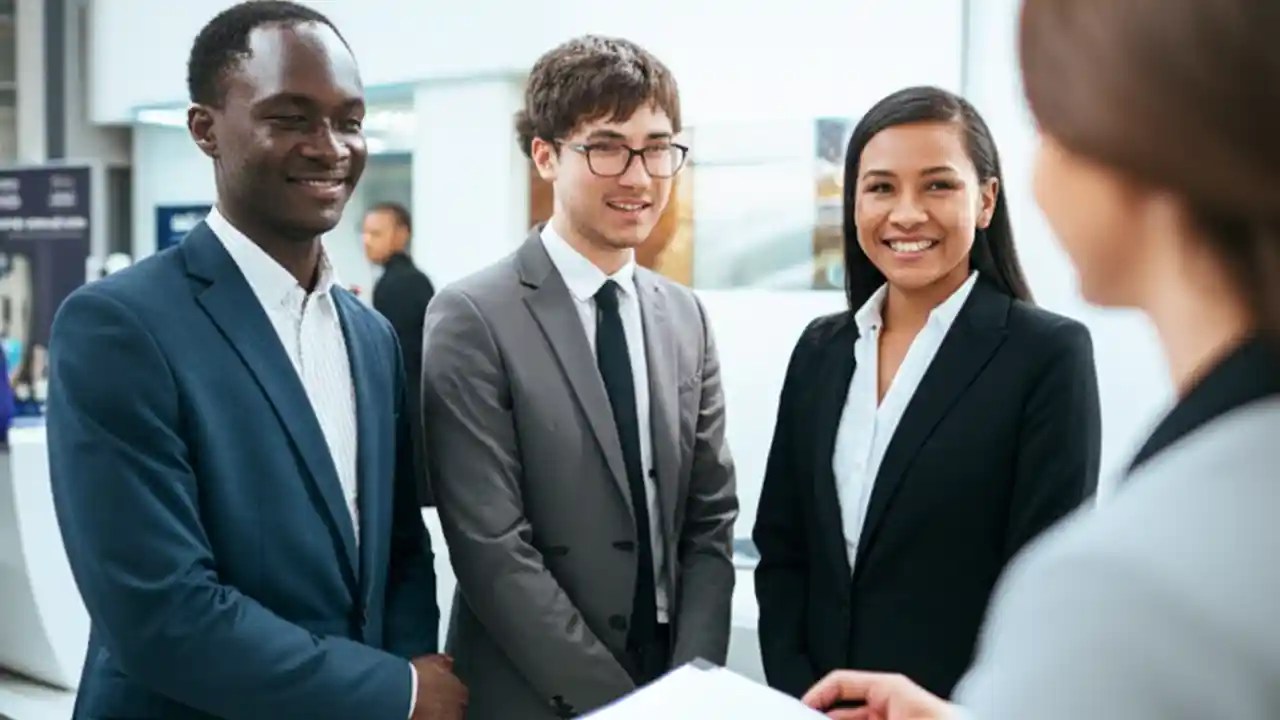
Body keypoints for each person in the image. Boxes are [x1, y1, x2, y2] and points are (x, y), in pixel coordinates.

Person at [802, 1, 1280, 718]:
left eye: (1049, 128)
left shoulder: (1122, 583)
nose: (1041, 175)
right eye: (879, 187)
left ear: (1137, 150)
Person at [45, 3, 465, 718]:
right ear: (206, 129)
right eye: (291, 118)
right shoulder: (119, 327)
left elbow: (399, 553)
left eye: (350, 120)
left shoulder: (370, 337)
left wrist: (405, 672)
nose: (330, 146)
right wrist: (395, 693)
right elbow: (161, 614)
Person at [421, 35, 738, 719]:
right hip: (531, 690)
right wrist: (620, 708)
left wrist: (690, 686)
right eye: (605, 146)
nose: (639, 175)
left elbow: (710, 523)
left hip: (671, 681)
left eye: (657, 147)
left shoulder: (685, 317)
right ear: (545, 155)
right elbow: (492, 549)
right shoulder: (473, 316)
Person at [753, 86, 1101, 701]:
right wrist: (803, 692)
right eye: (881, 187)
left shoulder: (1046, 355)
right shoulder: (821, 351)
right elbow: (784, 550)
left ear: (986, 200)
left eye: (938, 185)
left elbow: (1042, 583)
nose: (906, 213)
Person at [364, 201, 436, 505]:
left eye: (377, 233)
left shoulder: (399, 285)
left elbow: (399, 359)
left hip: (407, 408)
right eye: (365, 233)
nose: (367, 241)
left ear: (401, 235)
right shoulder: (409, 280)